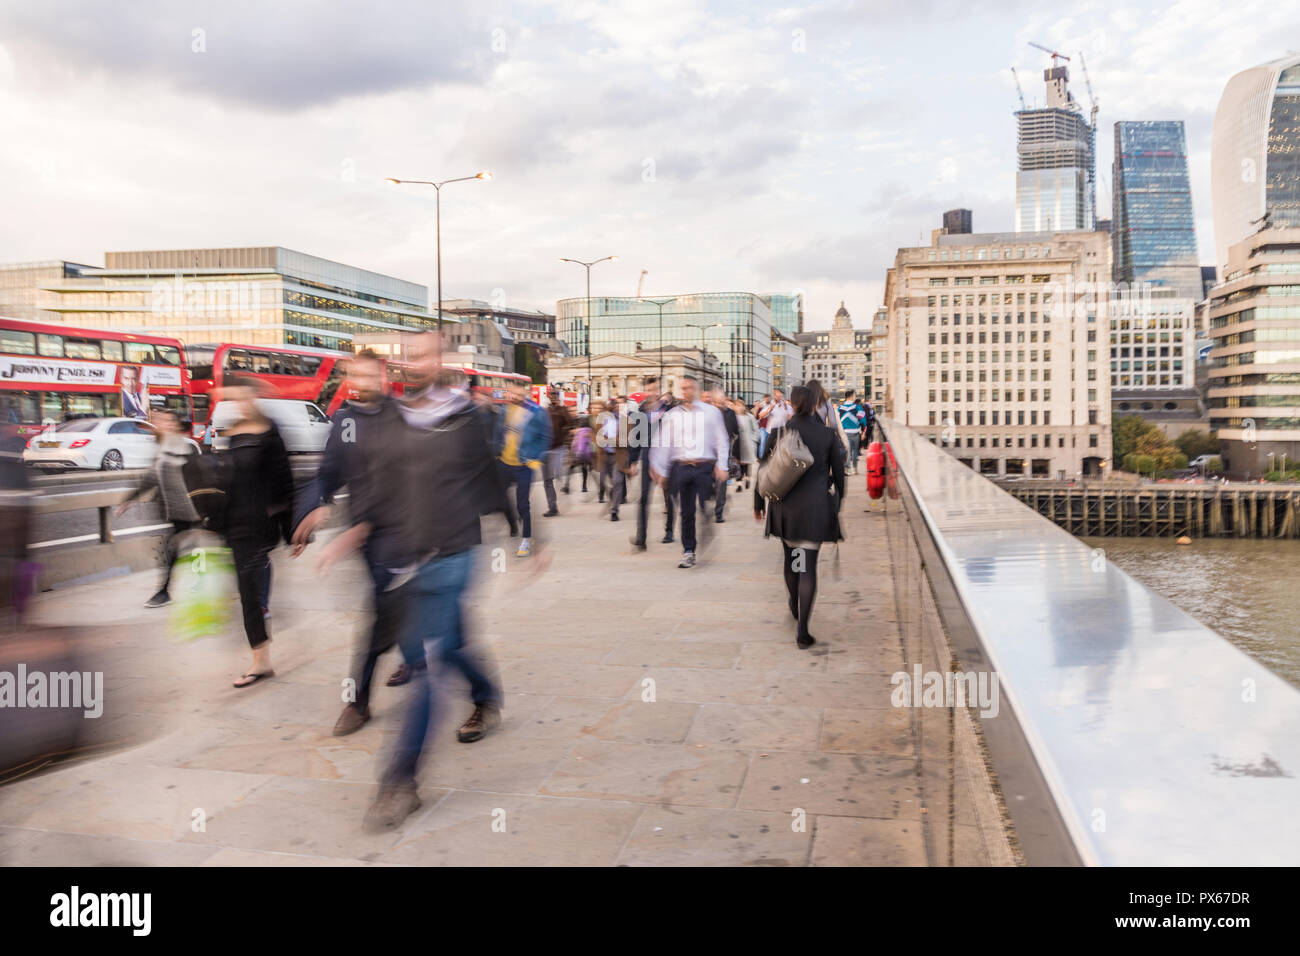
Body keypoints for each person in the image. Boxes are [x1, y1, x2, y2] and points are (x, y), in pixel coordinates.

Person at [318, 331, 507, 830]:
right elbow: (383, 482)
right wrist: (356, 527)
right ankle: (487, 696)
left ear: (440, 360)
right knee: (453, 647)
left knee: (428, 669)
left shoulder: (464, 418)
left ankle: (400, 781)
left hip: (451, 555)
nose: (414, 365)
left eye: (423, 356)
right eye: (408, 357)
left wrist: (531, 537)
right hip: (401, 558)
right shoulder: (396, 418)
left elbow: (489, 482)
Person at [291, 349, 425, 736]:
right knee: (392, 607)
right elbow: (327, 473)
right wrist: (314, 509)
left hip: (397, 533)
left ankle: (358, 703)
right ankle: (417, 659)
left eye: (368, 375)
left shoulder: (401, 416)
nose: (360, 383)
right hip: (365, 540)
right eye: (354, 376)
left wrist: (361, 528)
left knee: (378, 614)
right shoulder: (345, 420)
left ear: (382, 376)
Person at [754, 384, 846, 649]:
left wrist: (758, 503)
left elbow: (764, 470)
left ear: (792, 404)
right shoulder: (827, 435)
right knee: (808, 567)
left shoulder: (780, 431)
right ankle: (803, 629)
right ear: (816, 404)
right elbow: (839, 478)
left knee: (792, 559)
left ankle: (794, 603)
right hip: (815, 509)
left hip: (785, 509)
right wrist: (836, 507)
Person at [219, 377, 295, 687]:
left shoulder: (270, 431)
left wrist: (292, 533)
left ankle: (260, 661)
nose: (240, 404)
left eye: (245, 397)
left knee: (250, 591)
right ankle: (260, 654)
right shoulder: (231, 431)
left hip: (259, 526)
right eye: (235, 398)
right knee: (247, 592)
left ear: (256, 397)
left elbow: (284, 481)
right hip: (233, 523)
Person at [115, 408, 199, 608]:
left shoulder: (184, 447)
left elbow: (198, 478)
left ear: (176, 425)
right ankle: (188, 586)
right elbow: (152, 477)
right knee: (185, 549)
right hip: (176, 510)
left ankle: (166, 591)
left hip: (192, 509)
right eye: (159, 420)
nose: (161, 424)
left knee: (180, 550)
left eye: (166, 420)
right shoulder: (162, 446)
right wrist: (130, 499)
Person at [649, 376, 729, 569]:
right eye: (683, 388)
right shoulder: (673, 415)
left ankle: (707, 520)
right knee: (686, 511)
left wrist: (723, 465)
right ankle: (688, 551)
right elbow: (663, 443)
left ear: (697, 389)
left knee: (704, 505)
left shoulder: (711, 413)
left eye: (690, 388)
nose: (686, 391)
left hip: (704, 466)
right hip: (682, 466)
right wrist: (659, 469)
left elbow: (722, 439)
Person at [494, 381, 551, 558]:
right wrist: (497, 450)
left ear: (525, 395)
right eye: (511, 394)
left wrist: (537, 459)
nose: (513, 397)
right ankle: (516, 524)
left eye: (518, 395)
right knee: (499, 499)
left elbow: (545, 436)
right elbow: (498, 432)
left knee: (523, 504)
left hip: (524, 464)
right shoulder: (505, 410)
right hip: (504, 462)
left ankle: (526, 539)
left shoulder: (536, 412)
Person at [628, 377, 675, 550]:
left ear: (659, 391)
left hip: (667, 458)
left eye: (655, 389)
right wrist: (632, 462)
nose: (652, 393)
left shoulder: (669, 410)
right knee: (644, 498)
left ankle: (669, 531)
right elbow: (635, 438)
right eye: (649, 389)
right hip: (648, 458)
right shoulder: (640, 412)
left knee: (668, 496)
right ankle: (642, 537)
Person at [705, 388, 739, 523]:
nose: (720, 405)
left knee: (722, 484)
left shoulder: (730, 413)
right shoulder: (706, 414)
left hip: (724, 452)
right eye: (717, 402)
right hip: (708, 454)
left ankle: (718, 512)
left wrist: (736, 454)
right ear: (712, 402)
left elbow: (736, 432)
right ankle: (711, 500)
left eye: (722, 402)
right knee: (709, 484)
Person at [541, 389, 571, 518]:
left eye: (555, 395)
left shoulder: (562, 410)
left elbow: (570, 424)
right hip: (545, 448)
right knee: (547, 480)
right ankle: (552, 507)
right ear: (548, 397)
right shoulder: (545, 411)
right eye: (551, 395)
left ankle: (564, 487)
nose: (553, 397)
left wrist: (561, 408)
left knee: (557, 475)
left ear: (558, 397)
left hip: (557, 448)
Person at [837, 389, 867, 475]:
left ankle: (847, 468)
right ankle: (854, 468)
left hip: (845, 433)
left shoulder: (840, 408)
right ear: (852, 396)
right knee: (855, 451)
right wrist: (864, 432)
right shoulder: (857, 407)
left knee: (847, 451)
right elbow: (863, 421)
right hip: (855, 432)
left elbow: (837, 421)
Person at [733, 398, 759, 489]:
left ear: (744, 407)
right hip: (737, 444)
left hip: (748, 443)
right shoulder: (733, 417)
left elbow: (755, 429)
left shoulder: (749, 417)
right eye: (737, 406)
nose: (739, 408)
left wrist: (754, 440)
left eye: (740, 406)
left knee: (747, 463)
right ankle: (739, 483)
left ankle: (747, 478)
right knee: (738, 464)